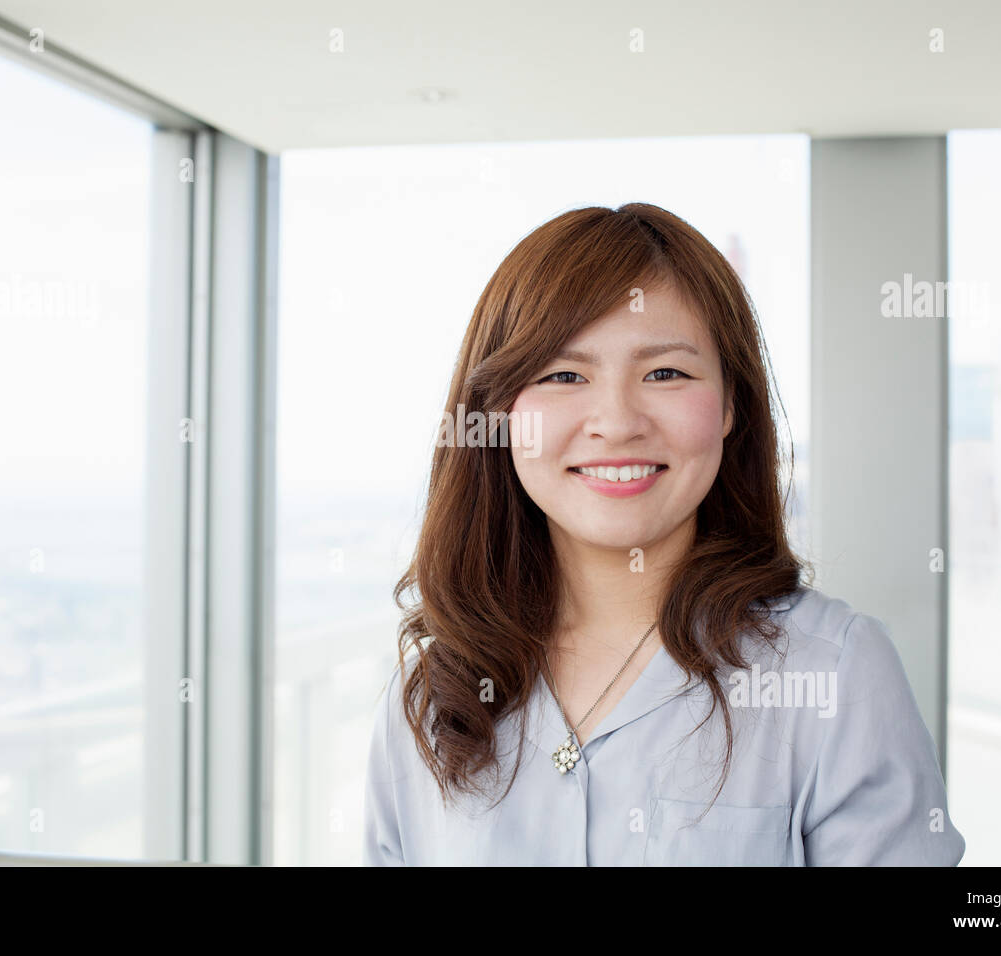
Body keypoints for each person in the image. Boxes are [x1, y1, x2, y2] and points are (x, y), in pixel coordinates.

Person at [363, 202, 965, 866]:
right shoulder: (430, 698)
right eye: (564, 375)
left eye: (665, 373)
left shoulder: (835, 674)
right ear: (499, 413)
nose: (616, 422)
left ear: (733, 403)